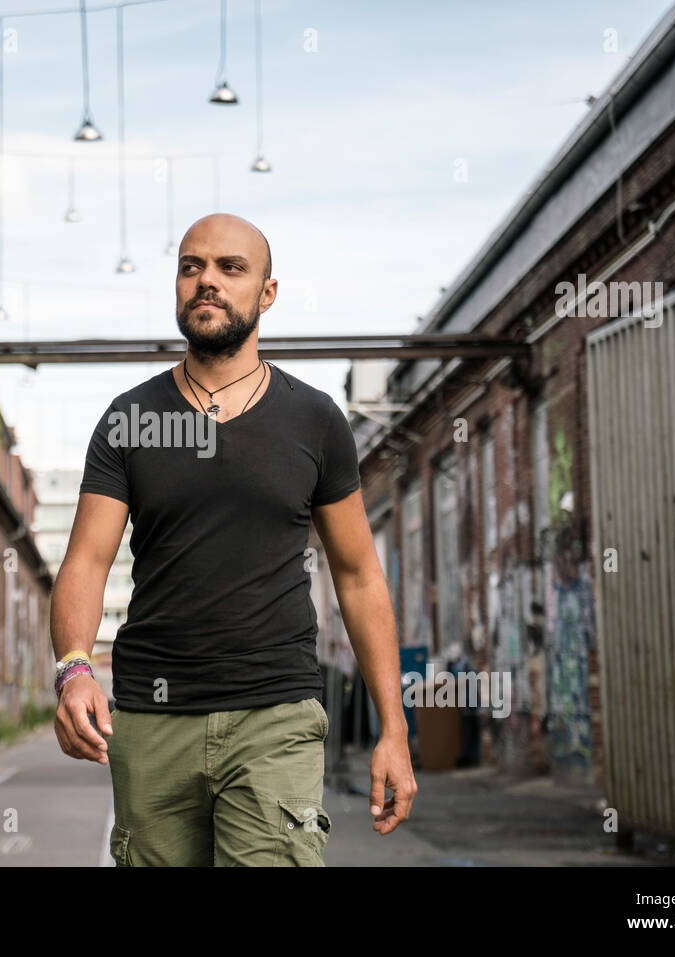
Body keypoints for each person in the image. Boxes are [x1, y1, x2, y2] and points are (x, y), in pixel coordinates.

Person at [50, 213, 415, 866]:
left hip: (274, 713)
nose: (206, 281)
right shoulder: (130, 419)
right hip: (153, 719)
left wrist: (395, 725)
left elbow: (359, 575)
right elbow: (85, 561)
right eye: (191, 267)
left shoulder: (315, 419)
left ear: (267, 293)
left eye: (229, 268)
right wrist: (74, 667)